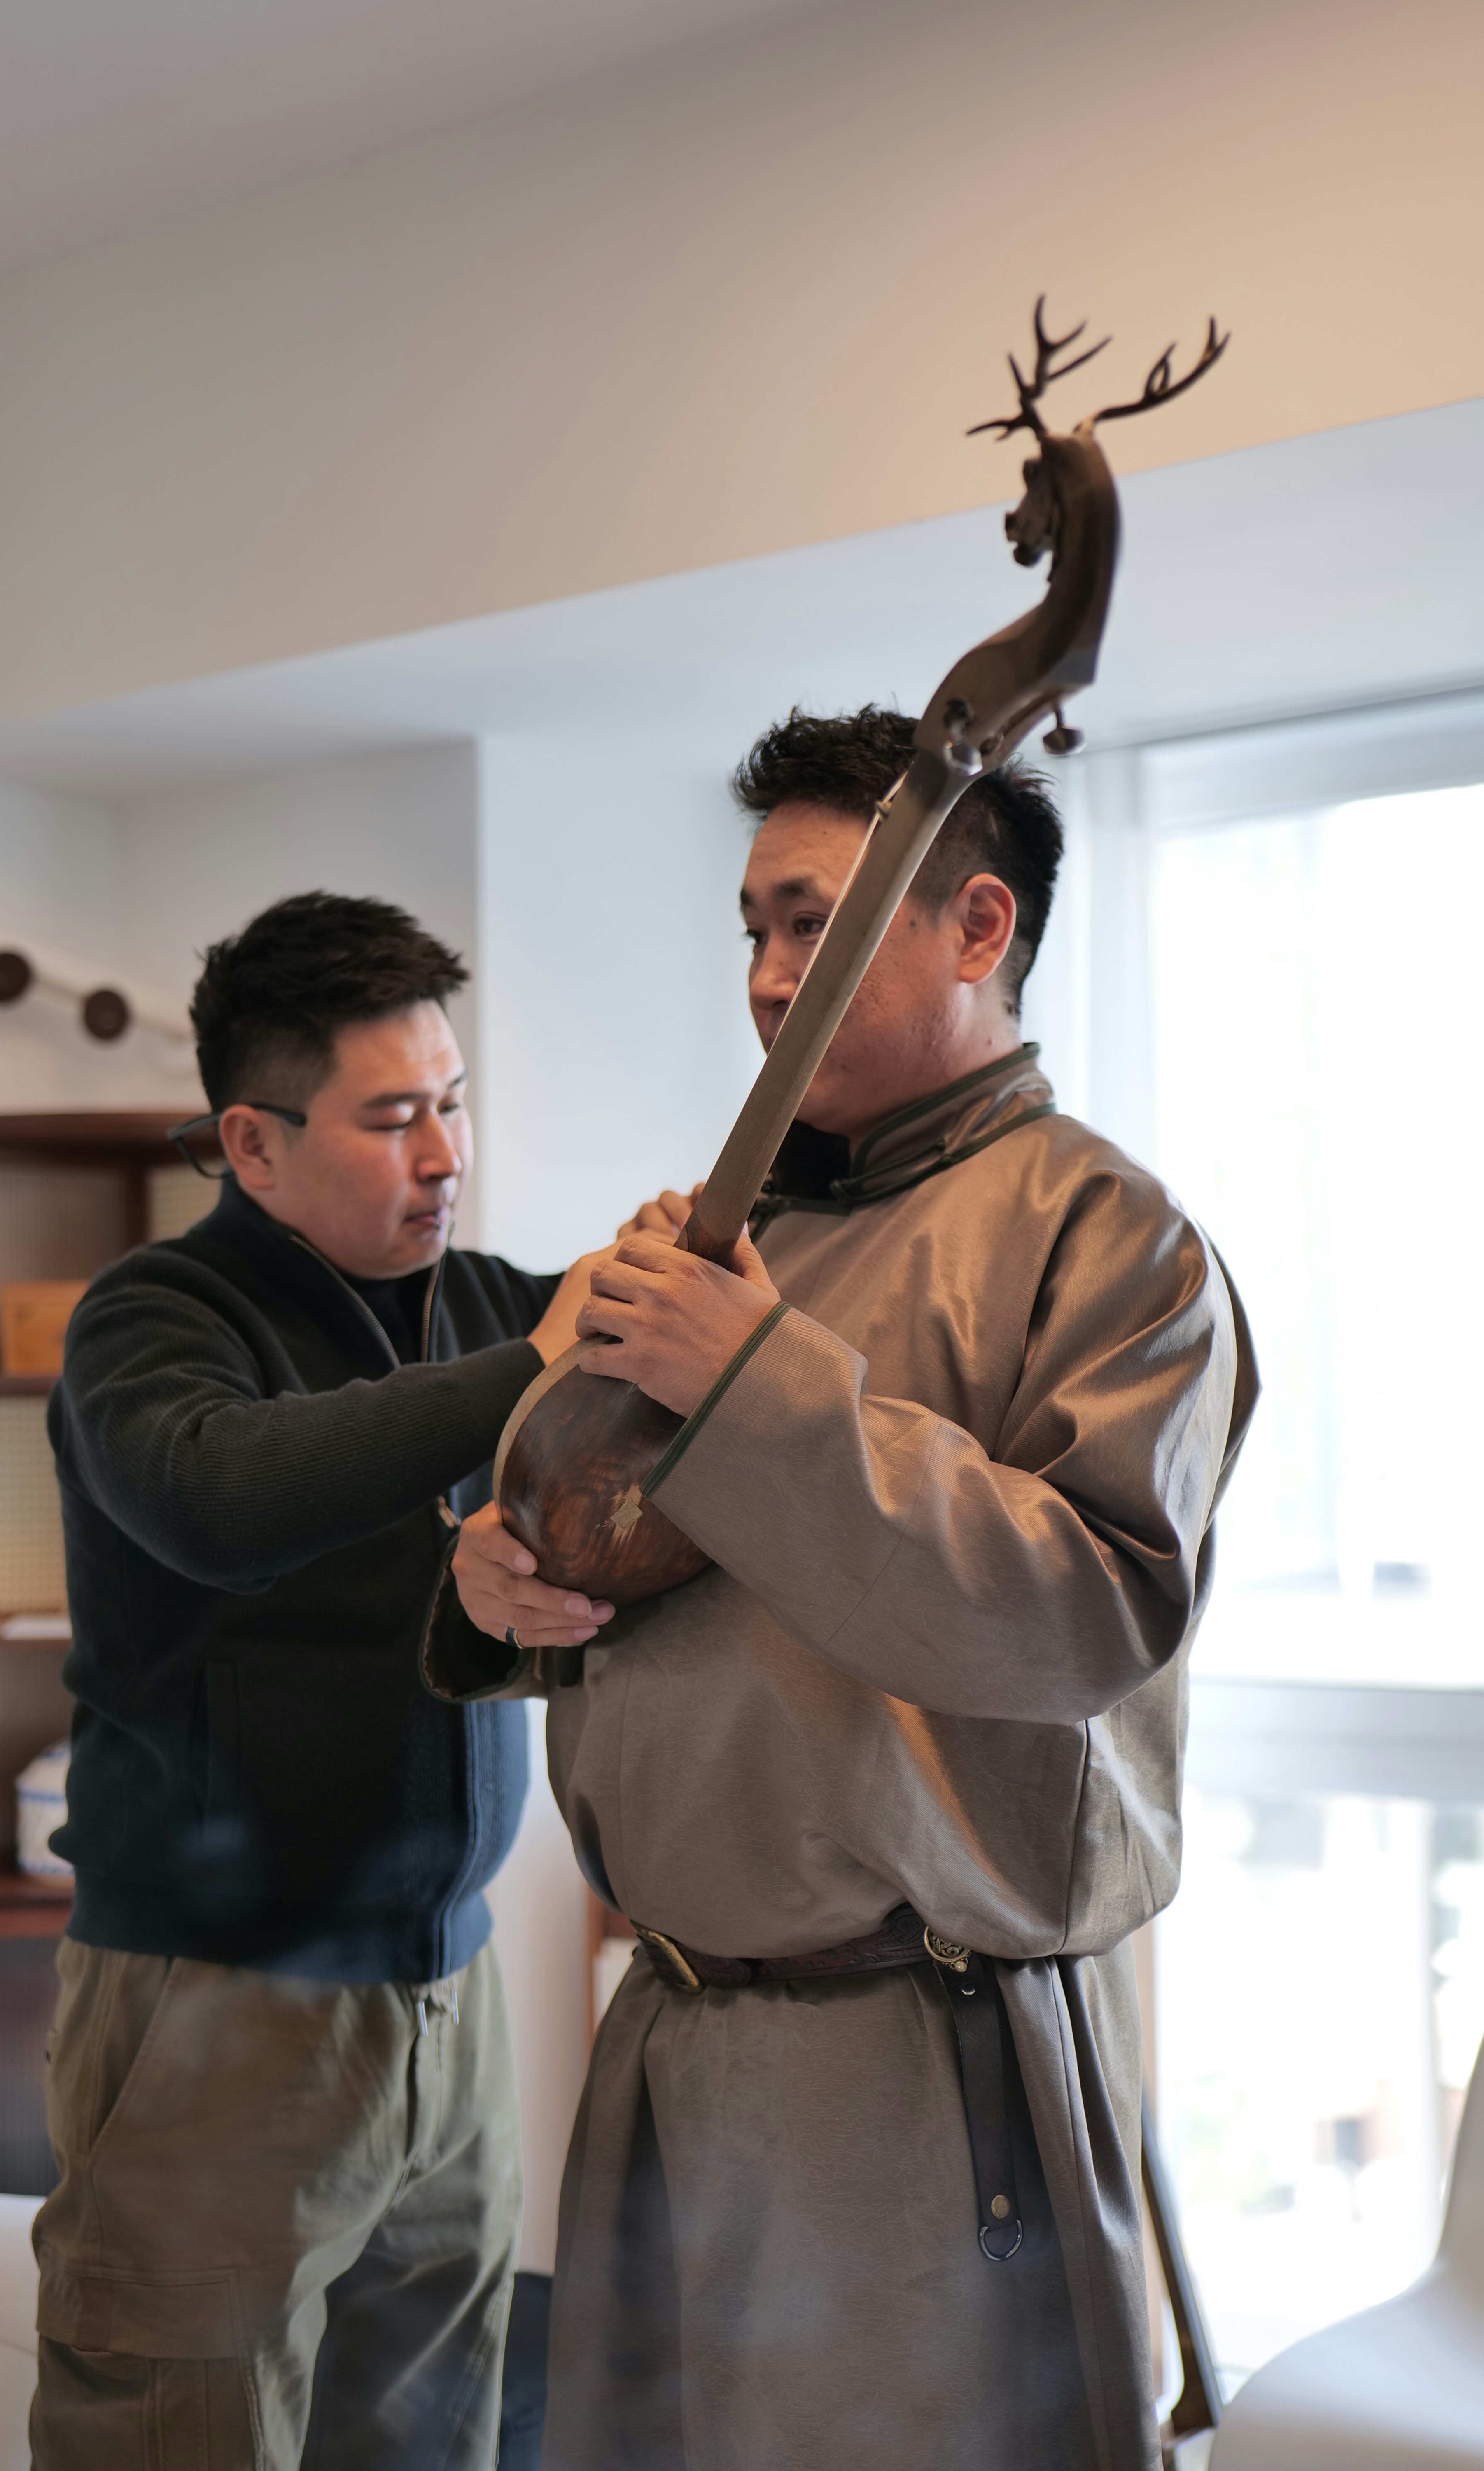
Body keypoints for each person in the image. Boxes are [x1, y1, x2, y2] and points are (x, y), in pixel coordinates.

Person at [431, 709, 1259, 2471]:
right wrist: (501, 1584)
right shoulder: (733, 1233)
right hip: (662, 2032)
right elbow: (611, 1538)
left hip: (910, 2065)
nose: (764, 976)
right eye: (752, 927)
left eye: (813, 921)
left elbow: (1084, 1617)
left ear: (977, 929)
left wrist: (758, 1383)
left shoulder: (1112, 1241)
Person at [31, 891, 657, 2471]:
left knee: (431, 2446)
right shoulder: (152, 1321)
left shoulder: (490, 1299)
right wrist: (530, 1374)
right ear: (250, 1144)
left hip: (452, 2006)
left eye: (452, 1104)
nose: (445, 1155)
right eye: (392, 1120)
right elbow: (220, 1495)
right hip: (212, 2009)